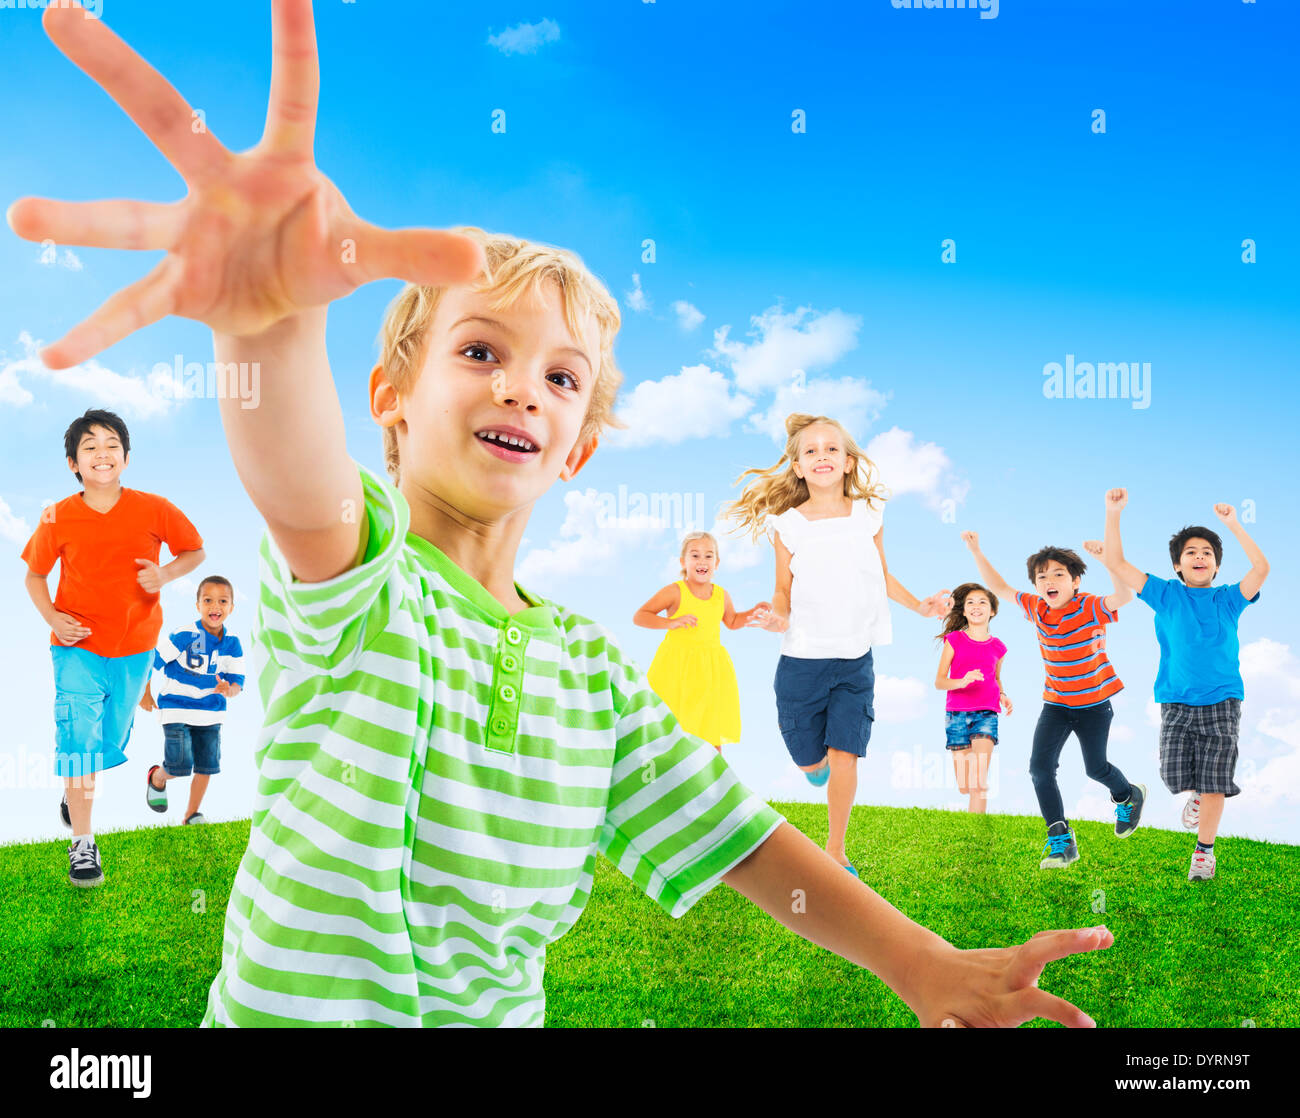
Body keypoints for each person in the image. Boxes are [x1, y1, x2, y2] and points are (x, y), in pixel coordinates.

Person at [9, 0, 1115, 1028]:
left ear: (577, 447)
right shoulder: (358, 573)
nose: (518, 389)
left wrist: (916, 958)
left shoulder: (591, 676)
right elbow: (297, 479)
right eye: (480, 351)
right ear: (391, 397)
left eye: (560, 377)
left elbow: (740, 838)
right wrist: (266, 323)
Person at [727, 413, 950, 877]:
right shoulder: (786, 525)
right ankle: (814, 768)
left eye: (832, 449)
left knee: (846, 750)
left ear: (849, 463)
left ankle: (835, 850)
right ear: (798, 465)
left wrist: (922, 607)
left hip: (855, 662)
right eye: (811, 451)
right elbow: (782, 591)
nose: (822, 456)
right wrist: (775, 618)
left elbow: (881, 574)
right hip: (801, 664)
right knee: (812, 761)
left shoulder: (870, 515)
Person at [20, 408, 205, 886]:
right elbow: (35, 575)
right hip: (75, 648)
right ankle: (82, 845)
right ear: (72, 463)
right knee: (78, 744)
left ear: (126, 456)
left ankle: (73, 791)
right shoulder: (57, 515)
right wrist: (52, 617)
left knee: (109, 741)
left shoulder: (155, 508)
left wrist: (164, 574)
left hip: (135, 649)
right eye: (89, 446)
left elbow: (194, 551)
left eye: (110, 445)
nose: (101, 453)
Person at [1097, 489, 1268, 882]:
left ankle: (1204, 853)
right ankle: (1196, 793)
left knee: (1216, 784)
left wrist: (1233, 524)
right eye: (1191, 551)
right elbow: (1119, 563)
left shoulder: (1228, 599)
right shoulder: (1167, 594)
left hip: (1223, 700)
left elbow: (1261, 569)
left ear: (1216, 566)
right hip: (1176, 701)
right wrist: (1113, 513)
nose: (1200, 556)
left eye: (1207, 551)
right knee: (1173, 777)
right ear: (1178, 564)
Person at [962, 530, 1145, 869]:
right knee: (1039, 770)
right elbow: (1000, 587)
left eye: (1059, 574)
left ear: (1075, 581)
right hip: (1057, 705)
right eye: (1041, 576)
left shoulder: (1089, 605)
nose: (1049, 580)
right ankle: (1062, 840)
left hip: (1093, 706)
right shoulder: (1037, 608)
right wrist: (975, 548)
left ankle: (1127, 795)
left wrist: (1107, 560)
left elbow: (1124, 596)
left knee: (1096, 768)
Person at [633, 531, 768, 751]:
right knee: (673, 727)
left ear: (717, 563)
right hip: (676, 667)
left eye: (708, 556)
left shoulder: (721, 595)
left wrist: (752, 612)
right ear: (683, 562)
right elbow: (641, 616)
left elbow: (732, 621)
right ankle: (667, 775)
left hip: (710, 670)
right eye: (695, 556)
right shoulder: (675, 591)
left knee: (710, 728)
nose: (702, 561)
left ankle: (714, 780)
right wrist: (672, 622)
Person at [140, 576, 246, 824]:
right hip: (177, 707)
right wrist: (145, 692)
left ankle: (191, 814)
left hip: (211, 712)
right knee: (180, 765)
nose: (215, 607)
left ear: (231, 607)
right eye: (208, 600)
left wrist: (228, 690)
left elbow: (237, 682)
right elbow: (152, 661)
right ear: (197, 605)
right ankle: (158, 777)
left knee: (206, 766)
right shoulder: (184, 635)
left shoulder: (232, 644)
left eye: (223, 601)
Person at [934, 583, 1011, 813]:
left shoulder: (999, 647)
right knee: (965, 785)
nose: (976, 606)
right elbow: (939, 681)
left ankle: (976, 833)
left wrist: (1003, 695)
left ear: (992, 611)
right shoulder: (954, 640)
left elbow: (996, 679)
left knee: (978, 782)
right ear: (964, 611)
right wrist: (962, 681)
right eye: (970, 603)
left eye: (982, 602)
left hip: (987, 714)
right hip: (956, 714)